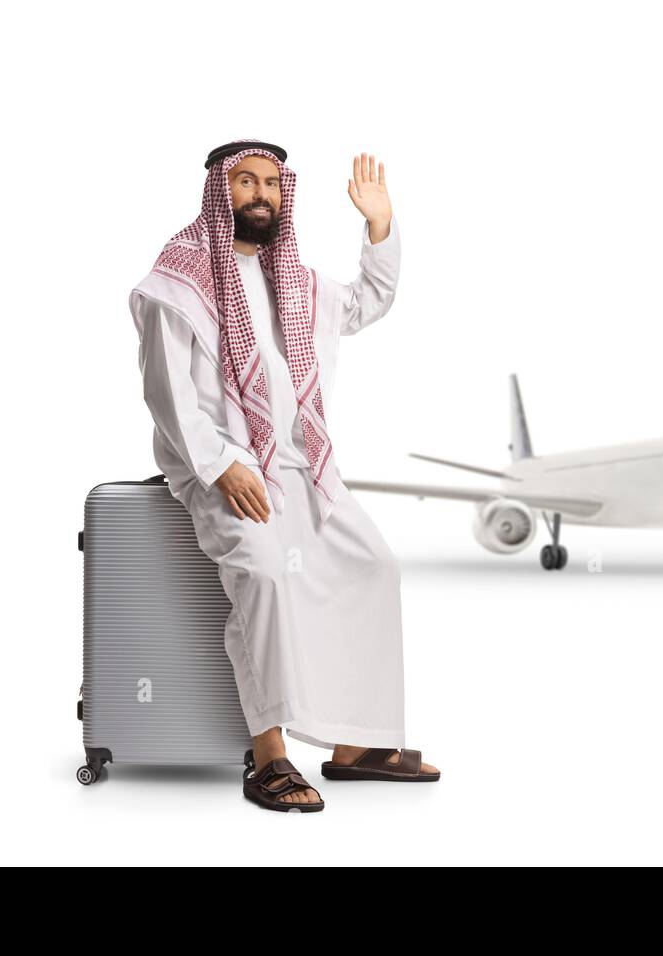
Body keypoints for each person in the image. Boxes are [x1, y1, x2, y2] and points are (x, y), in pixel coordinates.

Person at [128, 139, 438, 812]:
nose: (261, 193)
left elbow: (366, 303)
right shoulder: (176, 281)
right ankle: (269, 758)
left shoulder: (292, 279)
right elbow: (167, 393)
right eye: (245, 181)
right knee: (266, 575)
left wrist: (379, 226)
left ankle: (358, 745)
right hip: (226, 472)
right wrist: (219, 467)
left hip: (303, 469)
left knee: (374, 566)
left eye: (271, 182)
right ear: (220, 191)